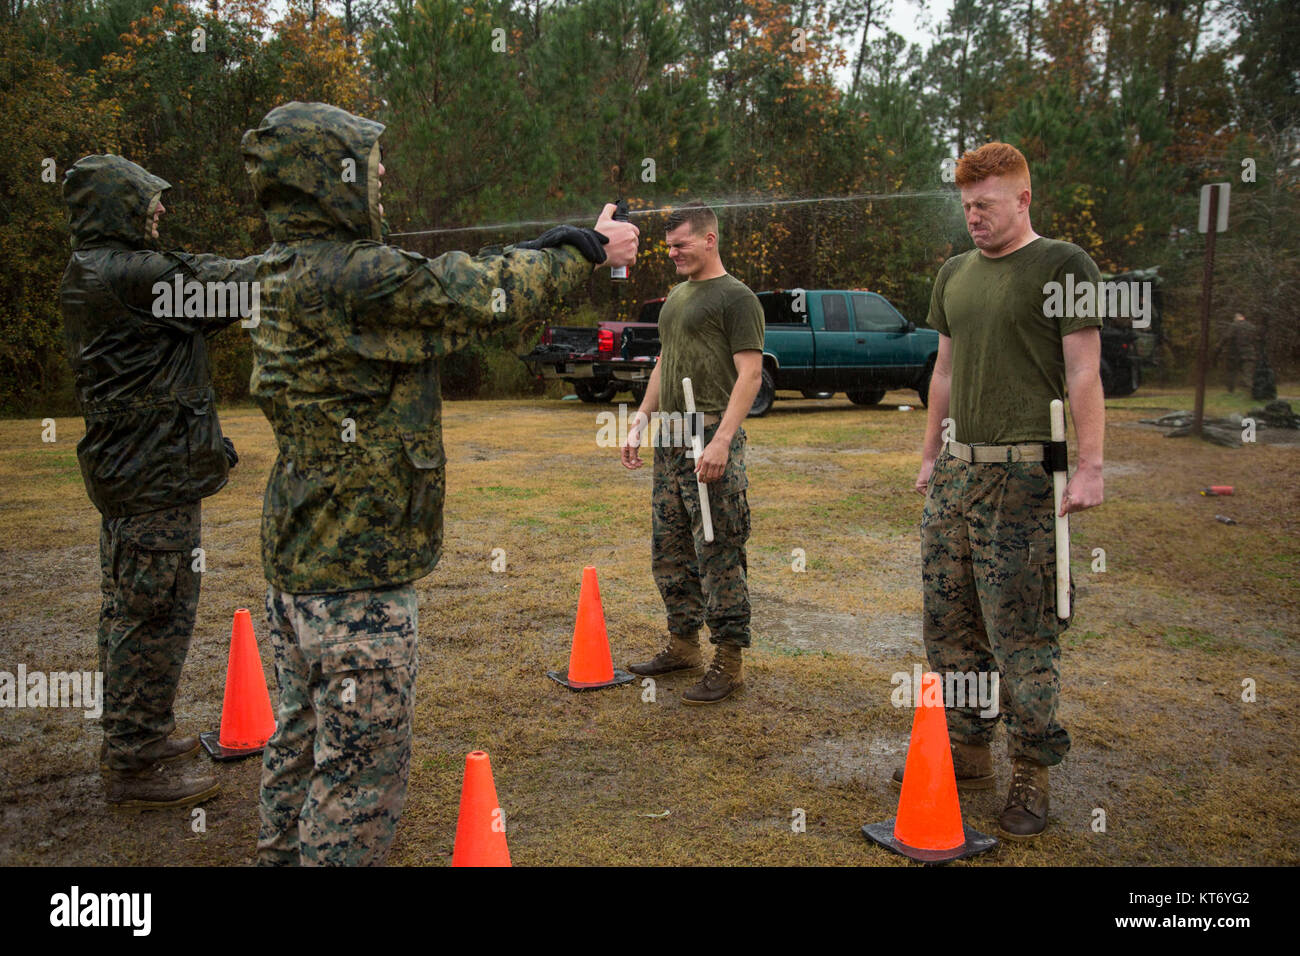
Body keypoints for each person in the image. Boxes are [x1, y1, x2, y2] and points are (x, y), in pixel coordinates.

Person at [242, 101, 638, 866]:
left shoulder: (291, 267)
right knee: (359, 774)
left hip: (299, 564)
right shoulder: (351, 275)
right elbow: (470, 296)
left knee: (298, 742)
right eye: (372, 166)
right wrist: (584, 254)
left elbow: (440, 281)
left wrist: (546, 244)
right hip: (355, 578)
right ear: (334, 178)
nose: (383, 180)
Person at [898, 142, 1105, 840]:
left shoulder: (1063, 265)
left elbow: (1083, 374)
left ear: (1022, 199)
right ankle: (968, 748)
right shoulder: (955, 274)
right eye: (965, 207)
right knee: (948, 620)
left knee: (1021, 629)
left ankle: (1032, 771)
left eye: (984, 205)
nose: (974, 218)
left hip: (1024, 474)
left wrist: (1092, 466)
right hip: (958, 470)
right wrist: (930, 454)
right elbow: (945, 375)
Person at [60, 154, 259, 809]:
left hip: (148, 473)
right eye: (150, 200)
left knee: (149, 611)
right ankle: (135, 763)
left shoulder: (107, 269)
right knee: (147, 615)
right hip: (149, 482)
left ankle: (143, 735)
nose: (162, 209)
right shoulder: (125, 273)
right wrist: (306, 258)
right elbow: (232, 290)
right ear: (121, 206)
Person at [621, 202, 763, 704]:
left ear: (709, 239)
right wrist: (640, 418)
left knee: (718, 547)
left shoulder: (736, 298)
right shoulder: (675, 298)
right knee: (671, 547)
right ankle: (683, 645)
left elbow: (750, 373)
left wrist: (723, 438)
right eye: (669, 246)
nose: (673, 253)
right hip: (670, 437)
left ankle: (729, 660)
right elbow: (665, 362)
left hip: (709, 434)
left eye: (681, 244)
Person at [1213, 312, 1257, 393]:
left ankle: (1231, 391)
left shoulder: (1234, 326)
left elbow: (1226, 337)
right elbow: (1256, 340)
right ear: (1243, 317)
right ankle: (1251, 392)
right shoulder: (1252, 327)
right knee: (1248, 374)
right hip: (1249, 353)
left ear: (1235, 318)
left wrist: (1218, 347)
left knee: (1231, 373)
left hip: (1235, 354)